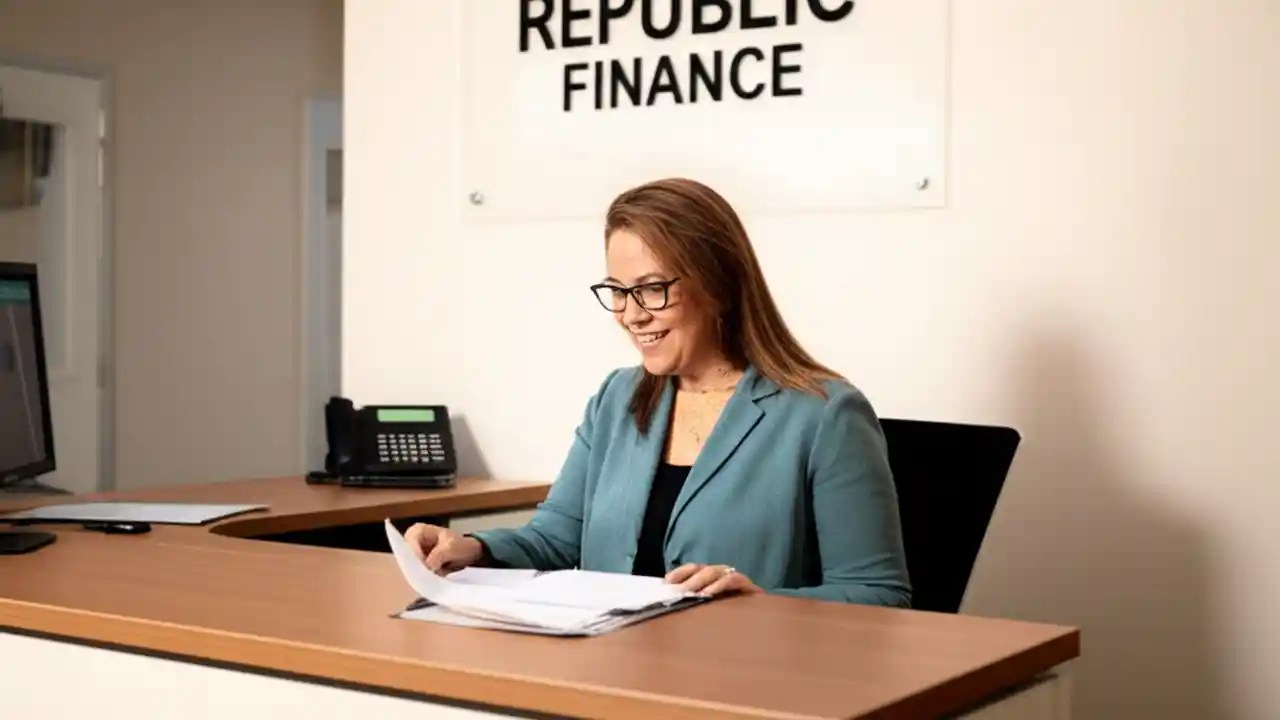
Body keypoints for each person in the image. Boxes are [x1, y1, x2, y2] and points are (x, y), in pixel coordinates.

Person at [405, 178, 911, 607]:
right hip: (612, 674)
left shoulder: (824, 414)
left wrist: (761, 603)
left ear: (719, 285)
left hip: (743, 682)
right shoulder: (617, 398)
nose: (631, 314)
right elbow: (556, 538)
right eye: (618, 292)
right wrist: (470, 547)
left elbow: (878, 593)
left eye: (651, 289)